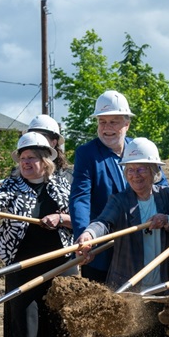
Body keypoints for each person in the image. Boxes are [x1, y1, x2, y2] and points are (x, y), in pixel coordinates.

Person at [0, 132, 73, 337]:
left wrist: (60, 218)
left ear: (45, 160)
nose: (26, 163)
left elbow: (82, 219)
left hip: (60, 262)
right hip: (23, 264)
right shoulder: (13, 186)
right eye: (22, 158)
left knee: (60, 322)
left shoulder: (63, 185)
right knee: (25, 322)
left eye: (31, 157)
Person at [77, 137, 169, 337]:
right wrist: (89, 235)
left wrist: (167, 221)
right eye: (130, 170)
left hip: (161, 287)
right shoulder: (120, 201)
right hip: (127, 285)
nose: (135, 175)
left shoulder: (166, 196)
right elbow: (102, 222)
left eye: (141, 169)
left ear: (153, 171)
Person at [70, 90, 134, 284]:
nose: (107, 128)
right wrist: (84, 235)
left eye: (113, 122)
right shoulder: (87, 154)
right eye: (102, 122)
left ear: (127, 124)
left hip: (138, 249)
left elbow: (160, 186)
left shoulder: (139, 149)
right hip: (101, 250)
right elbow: (81, 197)